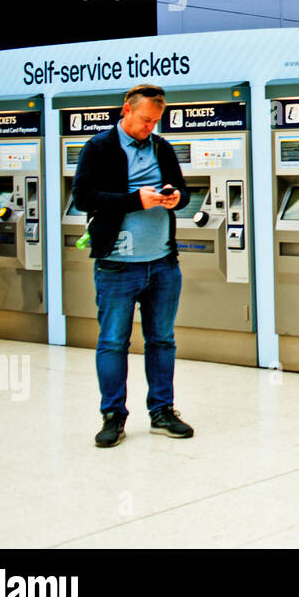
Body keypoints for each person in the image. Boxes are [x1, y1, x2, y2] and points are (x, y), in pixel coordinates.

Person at [72, 84, 193, 448]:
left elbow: (184, 191)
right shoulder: (99, 147)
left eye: (155, 121)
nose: (149, 127)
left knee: (162, 340)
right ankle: (113, 416)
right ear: (126, 109)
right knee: (112, 342)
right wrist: (134, 199)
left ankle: (162, 411)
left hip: (162, 263)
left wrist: (175, 199)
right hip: (117, 265)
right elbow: (83, 197)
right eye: (144, 120)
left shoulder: (161, 147)